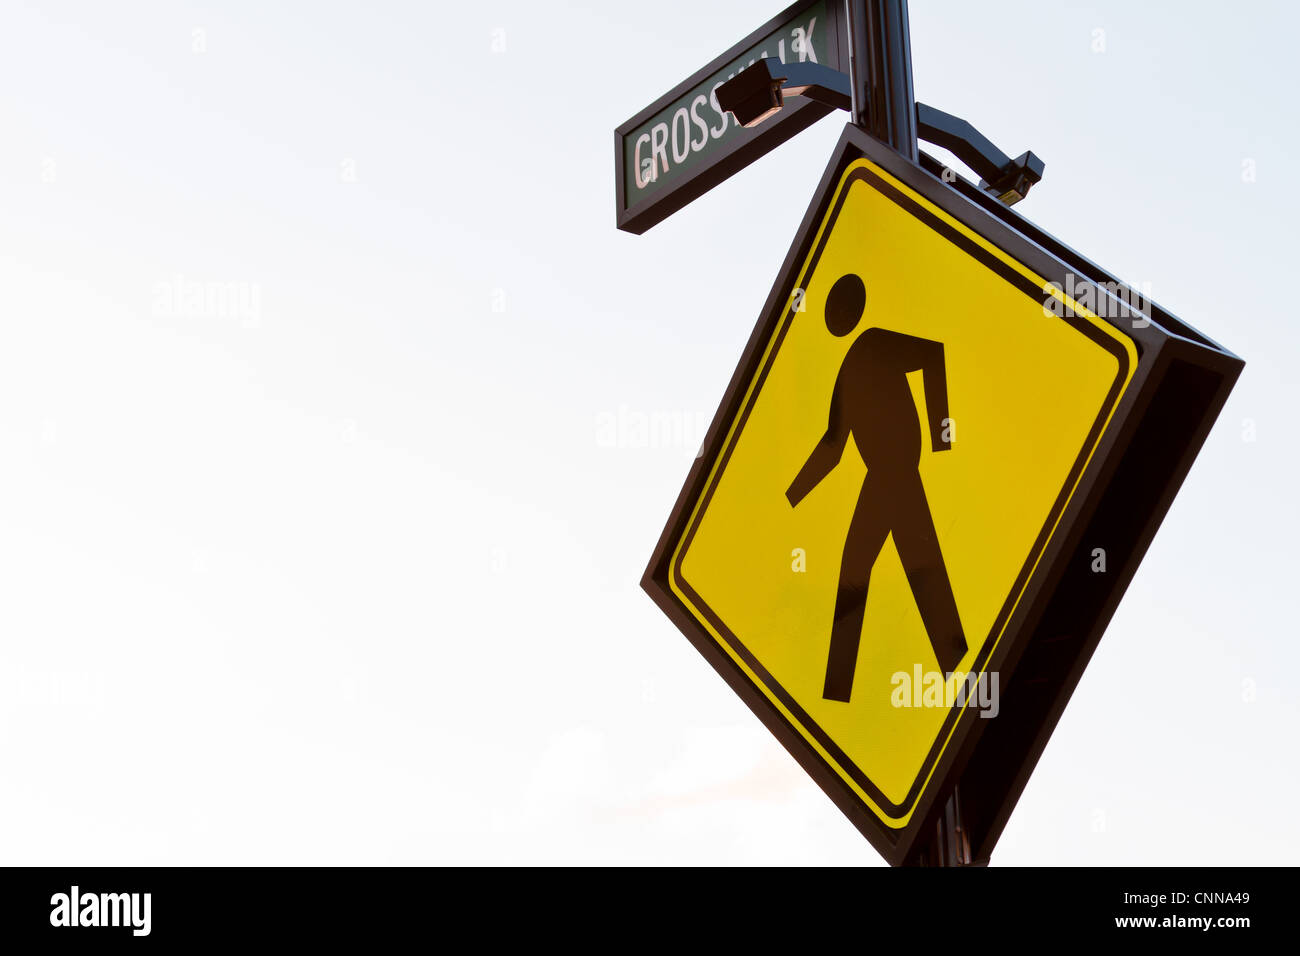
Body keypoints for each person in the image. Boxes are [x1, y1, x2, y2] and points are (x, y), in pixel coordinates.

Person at [786, 272, 968, 702]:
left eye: (838, 310)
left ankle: (840, 688)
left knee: (890, 568)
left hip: (898, 470)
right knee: (914, 565)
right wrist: (790, 497)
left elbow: (932, 355)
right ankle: (954, 665)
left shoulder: (874, 343)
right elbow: (833, 447)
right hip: (881, 477)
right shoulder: (846, 372)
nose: (835, 318)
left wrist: (943, 436)